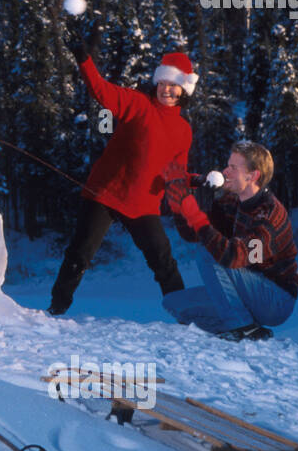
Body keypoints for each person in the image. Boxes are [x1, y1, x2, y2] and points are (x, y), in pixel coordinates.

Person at [47, 27, 197, 316]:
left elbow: (177, 174)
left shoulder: (183, 130)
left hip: (143, 205)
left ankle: (187, 315)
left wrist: (198, 181)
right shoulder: (138, 103)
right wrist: (83, 59)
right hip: (106, 192)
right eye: (163, 82)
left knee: (163, 261)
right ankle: (57, 308)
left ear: (184, 89)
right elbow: (101, 91)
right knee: (80, 254)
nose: (167, 89)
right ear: (156, 83)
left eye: (174, 85)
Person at [161, 141, 298, 341]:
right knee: (174, 303)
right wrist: (179, 208)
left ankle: (243, 328)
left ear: (252, 176)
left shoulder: (270, 215)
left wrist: (194, 213)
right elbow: (196, 235)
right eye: (227, 165)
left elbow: (235, 256)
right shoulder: (230, 201)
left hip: (275, 299)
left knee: (209, 254)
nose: (225, 171)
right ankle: (239, 325)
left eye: (233, 167)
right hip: (242, 290)